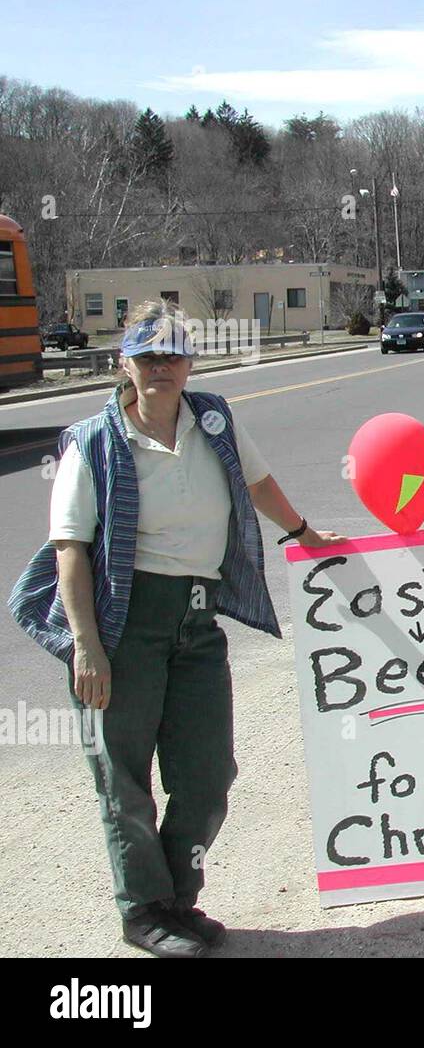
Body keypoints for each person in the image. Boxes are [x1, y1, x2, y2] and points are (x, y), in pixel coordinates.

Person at [9, 301, 345, 956]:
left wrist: (303, 532)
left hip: (196, 620)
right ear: (123, 362)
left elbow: (258, 482)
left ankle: (176, 897)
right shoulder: (93, 441)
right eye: (146, 355)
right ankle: (144, 909)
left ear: (190, 360)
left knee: (208, 772)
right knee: (124, 775)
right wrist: (86, 646)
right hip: (122, 623)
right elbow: (70, 549)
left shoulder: (214, 418)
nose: (160, 367)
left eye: (172, 355)